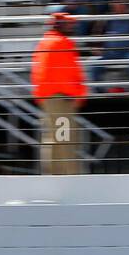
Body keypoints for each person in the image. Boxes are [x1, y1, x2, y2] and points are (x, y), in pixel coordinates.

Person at [30, 10, 87, 175]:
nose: (72, 26)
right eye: (69, 23)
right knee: (65, 139)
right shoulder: (62, 43)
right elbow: (69, 73)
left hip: (49, 98)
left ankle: (53, 176)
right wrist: (78, 93)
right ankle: (70, 177)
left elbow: (39, 72)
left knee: (53, 139)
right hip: (61, 98)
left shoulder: (44, 42)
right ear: (59, 24)